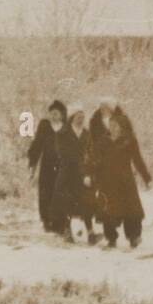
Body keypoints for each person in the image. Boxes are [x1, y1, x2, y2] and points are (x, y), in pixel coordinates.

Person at [84, 99, 151, 249]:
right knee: (108, 211)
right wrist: (88, 174)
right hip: (107, 180)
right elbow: (93, 159)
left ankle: (134, 237)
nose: (113, 127)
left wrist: (147, 178)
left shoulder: (129, 141)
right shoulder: (103, 141)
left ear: (122, 126)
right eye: (111, 125)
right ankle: (111, 239)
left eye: (116, 125)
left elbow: (138, 160)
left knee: (131, 210)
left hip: (126, 180)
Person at [50, 104, 97, 244]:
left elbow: (91, 153)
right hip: (67, 173)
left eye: (82, 117)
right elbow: (61, 152)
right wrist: (79, 159)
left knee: (87, 202)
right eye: (78, 117)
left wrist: (88, 171)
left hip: (83, 174)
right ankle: (67, 231)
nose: (80, 120)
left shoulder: (87, 134)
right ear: (72, 118)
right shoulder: (62, 133)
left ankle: (90, 233)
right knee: (66, 203)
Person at [27, 100, 66, 233]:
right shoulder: (44, 126)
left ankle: (59, 223)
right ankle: (47, 221)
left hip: (62, 166)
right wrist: (32, 162)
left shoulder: (66, 127)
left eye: (56, 113)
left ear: (61, 114)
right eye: (51, 113)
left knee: (60, 193)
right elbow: (37, 144)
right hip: (47, 165)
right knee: (46, 192)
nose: (53, 116)